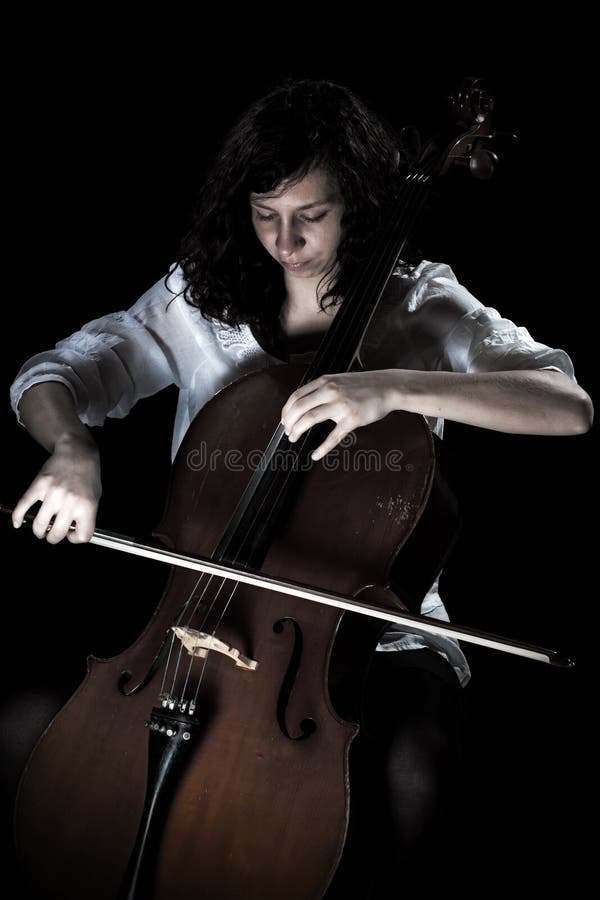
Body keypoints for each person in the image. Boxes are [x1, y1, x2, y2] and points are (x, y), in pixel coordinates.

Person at [7, 78, 593, 899]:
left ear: (356, 201)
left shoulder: (420, 304)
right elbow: (60, 372)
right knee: (28, 721)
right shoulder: (197, 302)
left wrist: (393, 388)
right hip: (199, 614)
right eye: (264, 212)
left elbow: (566, 405)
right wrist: (71, 446)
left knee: (415, 761)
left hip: (370, 628)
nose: (285, 239)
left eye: (310, 215)